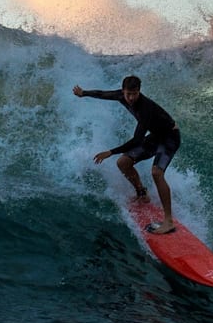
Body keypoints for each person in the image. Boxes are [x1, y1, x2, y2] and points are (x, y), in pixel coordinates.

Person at [72, 75, 181, 234]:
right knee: (123, 163)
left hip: (170, 137)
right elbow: (103, 94)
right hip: (156, 136)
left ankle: (169, 221)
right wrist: (84, 93)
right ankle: (142, 194)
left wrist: (110, 152)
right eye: (128, 94)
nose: (131, 98)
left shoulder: (146, 109)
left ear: (139, 91)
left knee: (157, 173)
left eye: (135, 93)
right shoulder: (120, 95)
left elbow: (137, 140)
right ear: (123, 91)